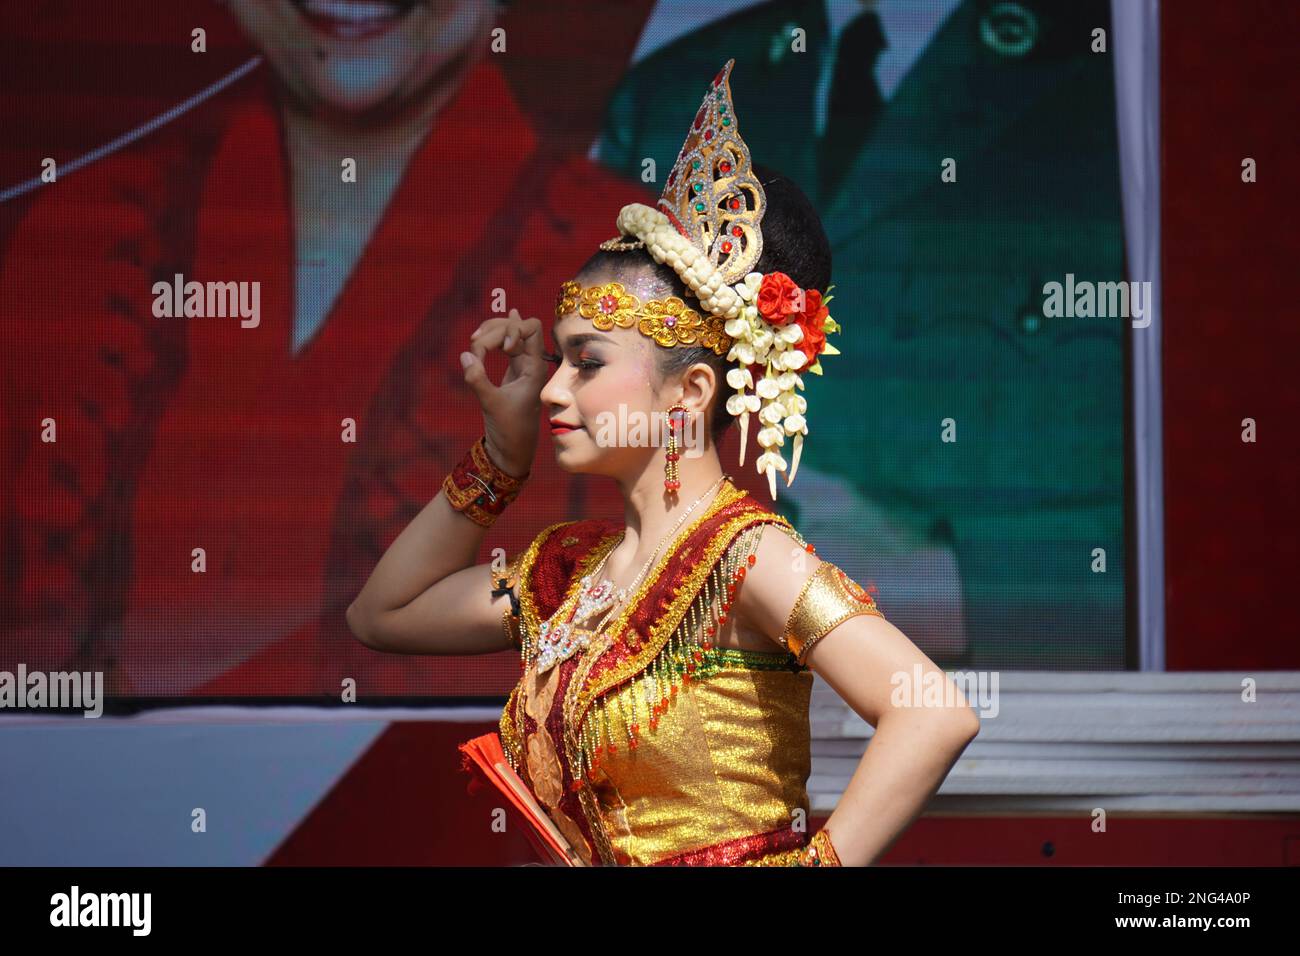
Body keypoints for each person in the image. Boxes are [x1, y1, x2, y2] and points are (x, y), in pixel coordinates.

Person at [347, 60, 979, 866]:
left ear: (689, 390)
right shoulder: (569, 576)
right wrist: (500, 460)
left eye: (587, 362)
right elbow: (382, 616)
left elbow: (932, 712)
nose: (553, 390)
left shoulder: (748, 559)